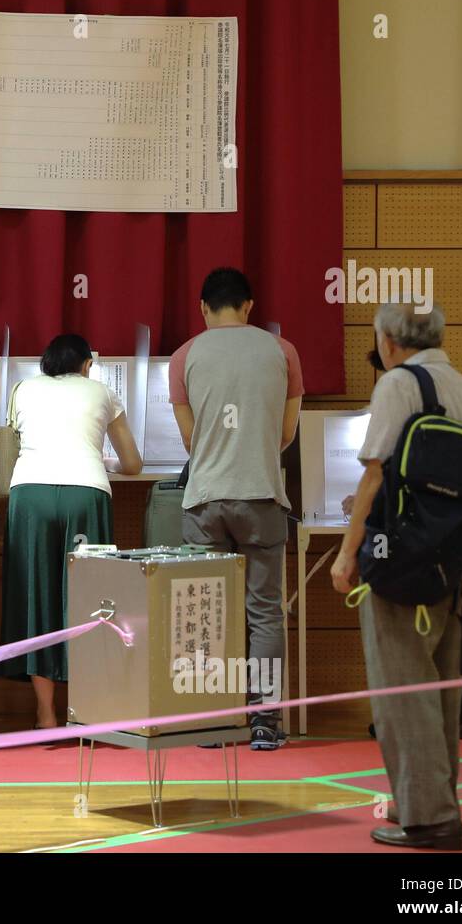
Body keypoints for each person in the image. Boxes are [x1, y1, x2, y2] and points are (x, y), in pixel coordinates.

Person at [331, 301, 462, 851]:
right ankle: (430, 800)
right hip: (461, 559)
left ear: (388, 341)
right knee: (444, 691)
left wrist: (346, 554)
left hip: (403, 558)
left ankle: (431, 820)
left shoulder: (398, 383)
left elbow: (375, 473)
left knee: (403, 689)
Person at [169, 267, 303, 751]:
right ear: (250, 307)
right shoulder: (282, 352)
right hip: (262, 494)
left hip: (204, 498)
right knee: (264, 613)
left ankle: (211, 720)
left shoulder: (184, 356)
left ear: (204, 309)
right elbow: (286, 435)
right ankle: (264, 721)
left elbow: (190, 439)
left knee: (207, 610)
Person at [0, 334, 142, 728]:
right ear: (87, 364)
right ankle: (85, 708)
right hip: (85, 493)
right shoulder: (101, 392)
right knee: (89, 599)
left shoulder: (22, 389)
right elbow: (133, 463)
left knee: (38, 599)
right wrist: (103, 462)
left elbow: (11, 443)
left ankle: (45, 712)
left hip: (31, 495)